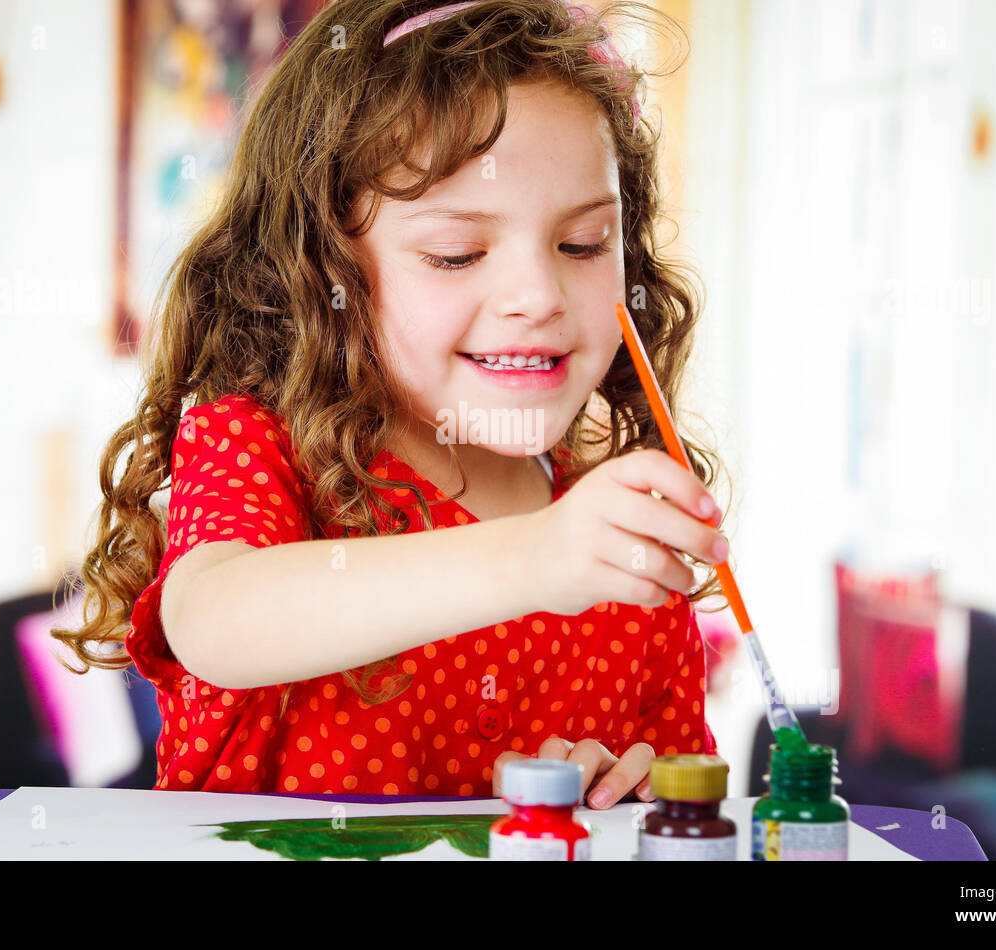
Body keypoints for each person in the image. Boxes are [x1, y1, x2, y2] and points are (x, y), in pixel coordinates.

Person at [55, 0, 734, 807]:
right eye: (456, 254)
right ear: (326, 269)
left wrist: (634, 799)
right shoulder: (257, 443)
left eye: (584, 244)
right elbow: (213, 621)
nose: (537, 295)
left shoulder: (623, 546)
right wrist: (531, 557)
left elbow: (684, 801)